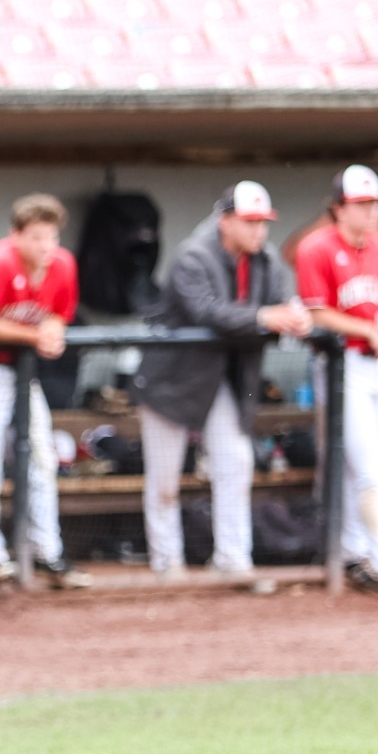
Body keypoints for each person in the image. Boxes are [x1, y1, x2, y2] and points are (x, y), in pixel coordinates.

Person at [135, 182, 312, 582]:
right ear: (225, 220)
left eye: (262, 223)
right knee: (164, 479)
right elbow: (206, 312)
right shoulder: (192, 255)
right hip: (171, 381)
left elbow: (278, 303)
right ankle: (167, 563)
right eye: (249, 222)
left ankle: (232, 560)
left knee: (235, 462)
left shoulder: (266, 259)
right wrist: (264, 317)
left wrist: (293, 316)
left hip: (221, 380)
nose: (258, 231)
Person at [296, 166, 378, 598]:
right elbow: (315, 313)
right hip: (343, 365)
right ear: (338, 208)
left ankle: (356, 554)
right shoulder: (317, 247)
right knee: (367, 466)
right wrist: (362, 329)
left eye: (374, 204)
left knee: (372, 465)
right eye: (361, 204)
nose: (371, 211)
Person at [0, 194, 93, 589]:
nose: (46, 246)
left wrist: (52, 329)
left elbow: (59, 314)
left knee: (42, 458)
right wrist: (36, 336)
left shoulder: (63, 264)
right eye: (36, 237)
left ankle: (47, 552)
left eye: (51, 237)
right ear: (15, 235)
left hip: (20, 371)